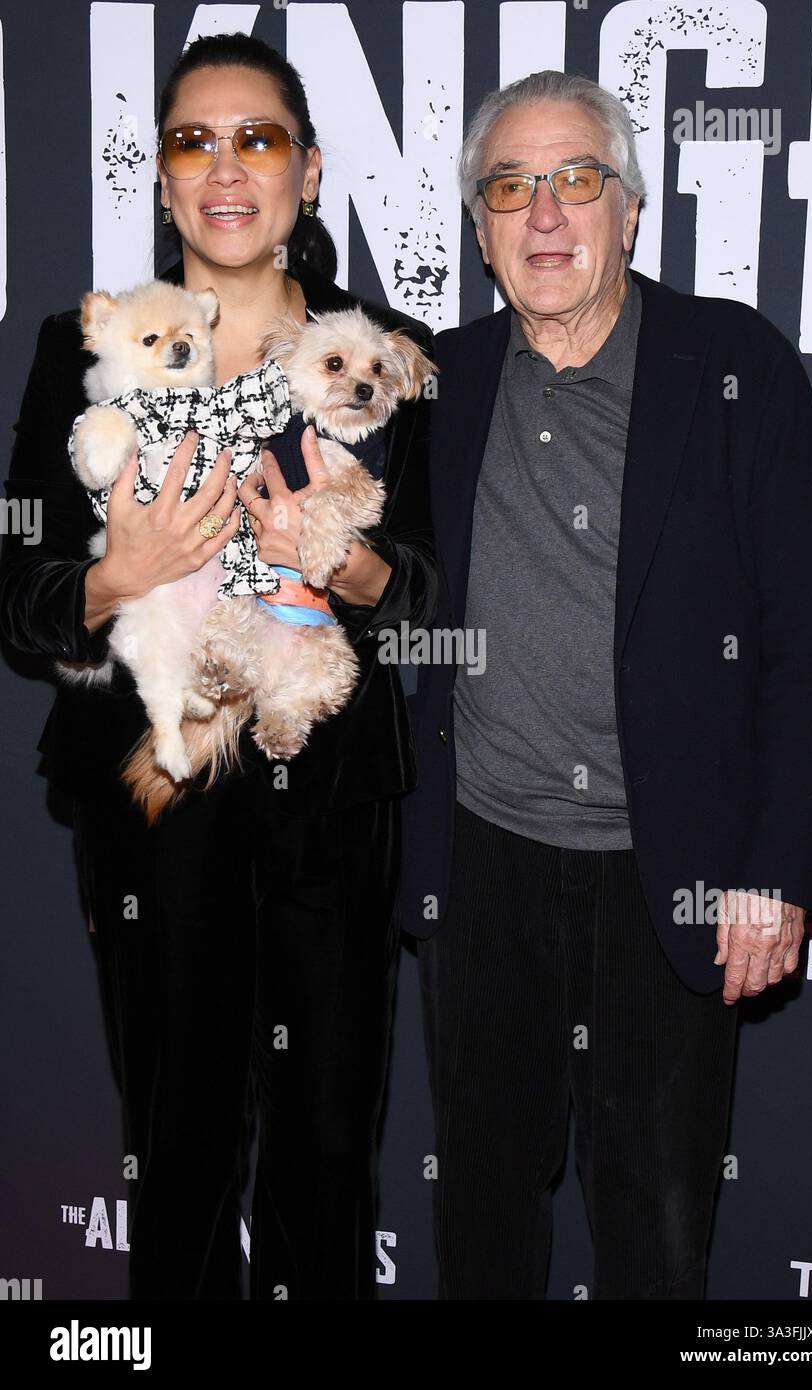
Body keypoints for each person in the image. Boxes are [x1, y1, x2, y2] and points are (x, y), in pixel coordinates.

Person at [397, 69, 812, 1299]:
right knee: (482, 1230)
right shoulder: (443, 381)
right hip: (484, 869)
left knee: (655, 1242)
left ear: (631, 208)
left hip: (676, 870)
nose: (544, 213)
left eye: (575, 179)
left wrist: (774, 874)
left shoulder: (734, 365)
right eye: (509, 187)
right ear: (482, 230)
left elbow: (808, 645)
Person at [0, 32, 435, 1300]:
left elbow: (426, 592)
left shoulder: (386, 354)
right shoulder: (72, 352)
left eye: (258, 139)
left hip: (331, 800)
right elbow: (17, 592)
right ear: (163, 177)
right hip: (155, 789)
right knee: (177, 1152)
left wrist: (345, 567)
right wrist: (110, 577)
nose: (226, 167)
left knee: (324, 1150)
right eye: (195, 139)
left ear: (305, 169)